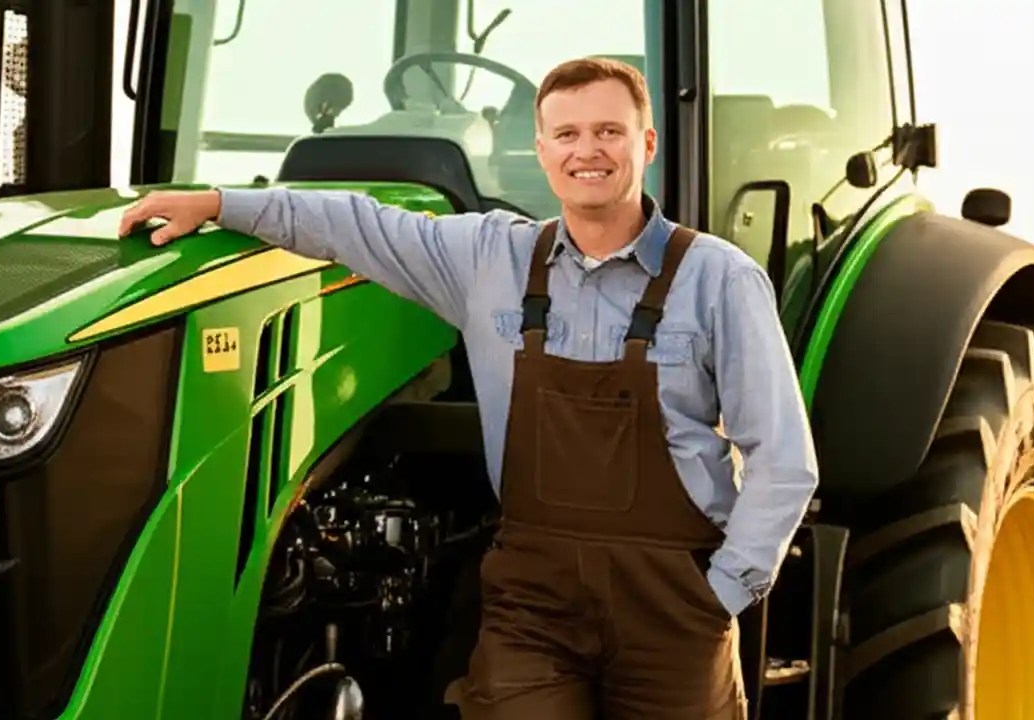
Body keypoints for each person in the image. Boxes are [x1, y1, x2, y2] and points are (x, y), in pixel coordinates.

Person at [119, 56, 819, 720]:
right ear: (541, 150)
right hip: (535, 602)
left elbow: (784, 459)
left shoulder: (720, 279)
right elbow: (358, 224)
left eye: (609, 131)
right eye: (567, 134)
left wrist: (722, 592)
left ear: (647, 142)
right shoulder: (489, 257)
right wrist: (218, 202)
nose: (588, 151)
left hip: (674, 604)